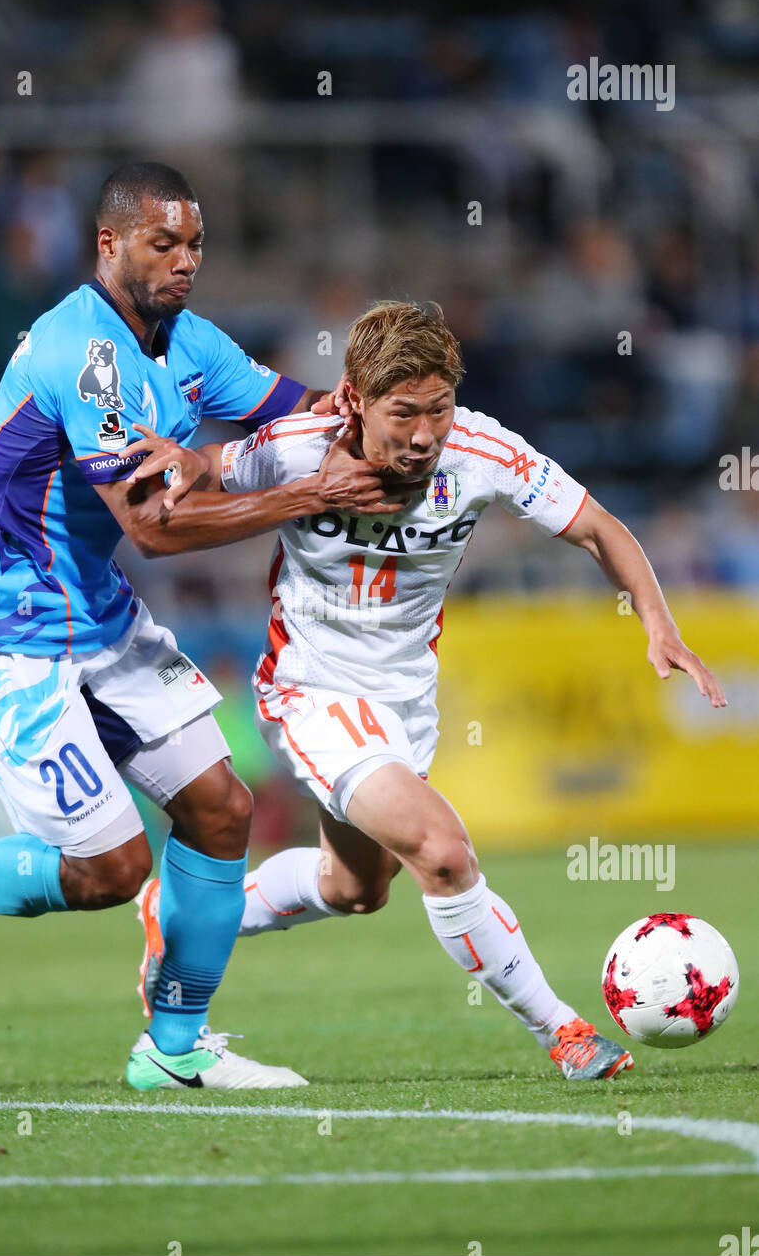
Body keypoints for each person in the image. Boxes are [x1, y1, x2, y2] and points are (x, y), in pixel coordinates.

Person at [0, 162, 403, 1092]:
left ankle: (173, 1050)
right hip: (1, 628)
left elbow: (299, 411)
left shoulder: (186, 339)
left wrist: (394, 423)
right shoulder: (80, 354)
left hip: (94, 614)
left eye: (195, 244)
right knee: (110, 869)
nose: (183, 261)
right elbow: (155, 529)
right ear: (109, 244)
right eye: (163, 243)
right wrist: (308, 492)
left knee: (222, 809)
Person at [133, 300, 727, 1082]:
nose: (422, 435)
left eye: (437, 410)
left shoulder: (483, 452)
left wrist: (660, 624)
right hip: (310, 690)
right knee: (442, 853)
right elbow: (212, 469)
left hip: (407, 701)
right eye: (402, 413)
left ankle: (175, 916)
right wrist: (183, 462)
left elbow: (599, 528)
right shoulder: (297, 447)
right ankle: (564, 1033)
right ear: (353, 398)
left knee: (352, 889)